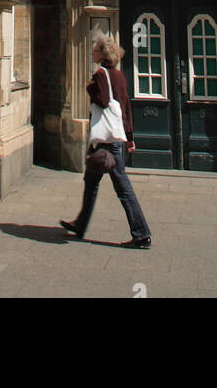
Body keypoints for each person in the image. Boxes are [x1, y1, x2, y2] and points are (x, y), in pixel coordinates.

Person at [60, 33, 152, 249]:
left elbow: (101, 100)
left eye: (95, 50)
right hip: (113, 138)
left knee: (123, 187)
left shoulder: (100, 75)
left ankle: (141, 234)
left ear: (103, 54)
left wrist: (90, 86)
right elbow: (125, 108)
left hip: (106, 142)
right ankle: (81, 224)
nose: (92, 52)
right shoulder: (119, 76)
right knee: (90, 182)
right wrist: (129, 138)